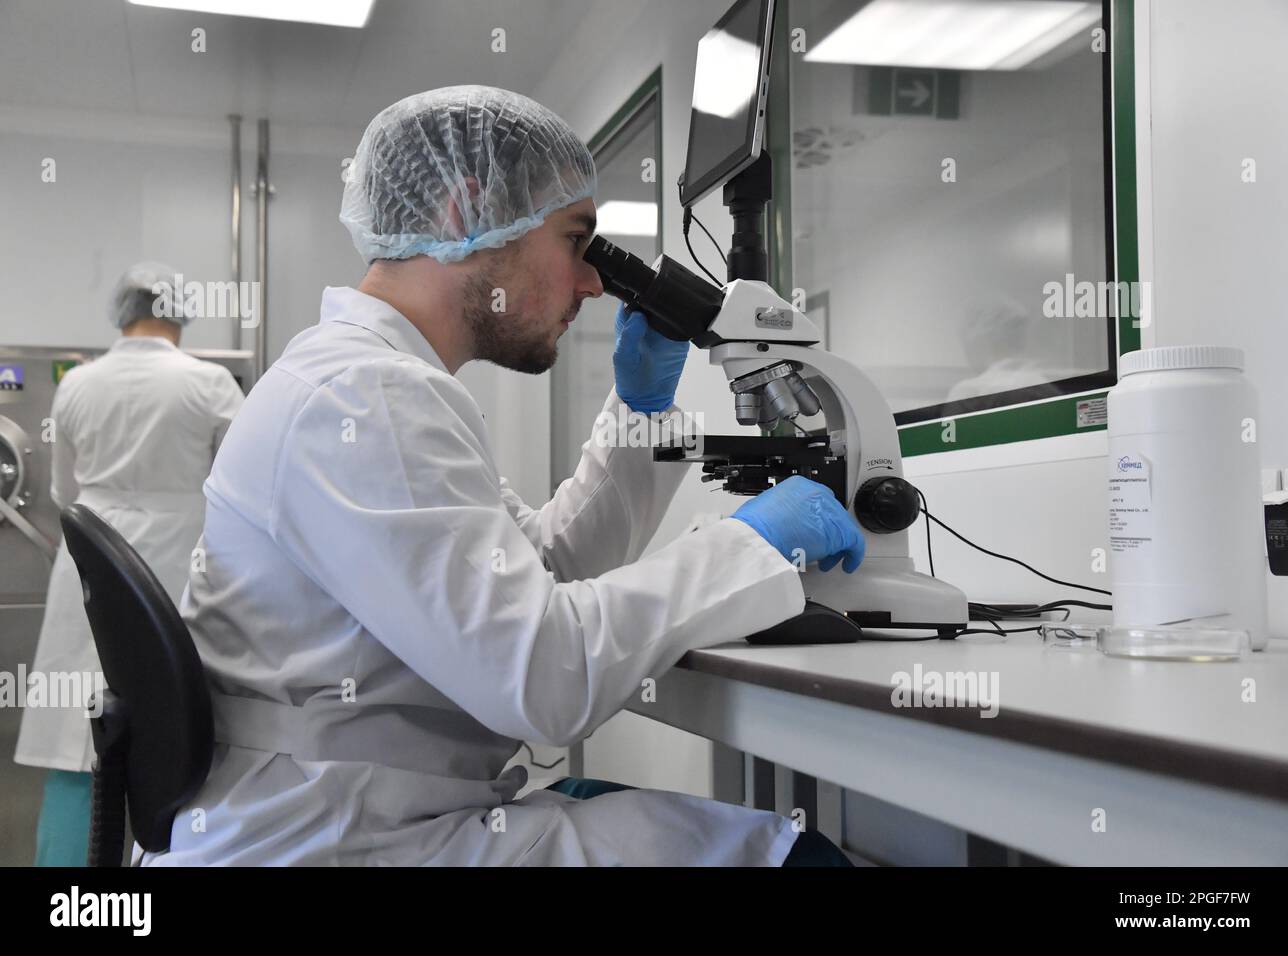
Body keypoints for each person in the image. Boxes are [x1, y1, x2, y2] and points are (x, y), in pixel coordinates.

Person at [141, 86, 862, 867]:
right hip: (338, 836)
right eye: (577, 241)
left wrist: (640, 409)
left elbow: (540, 571)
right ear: (465, 211)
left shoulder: (376, 381)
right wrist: (749, 544)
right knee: (793, 857)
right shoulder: (363, 397)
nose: (592, 284)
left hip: (371, 809)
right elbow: (543, 678)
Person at [14, 262, 245, 866]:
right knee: (178, 740)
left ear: (124, 312)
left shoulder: (78, 385)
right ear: (181, 312)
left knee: (74, 742)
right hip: (176, 573)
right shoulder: (211, 382)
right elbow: (245, 488)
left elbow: (66, 493)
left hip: (90, 570)